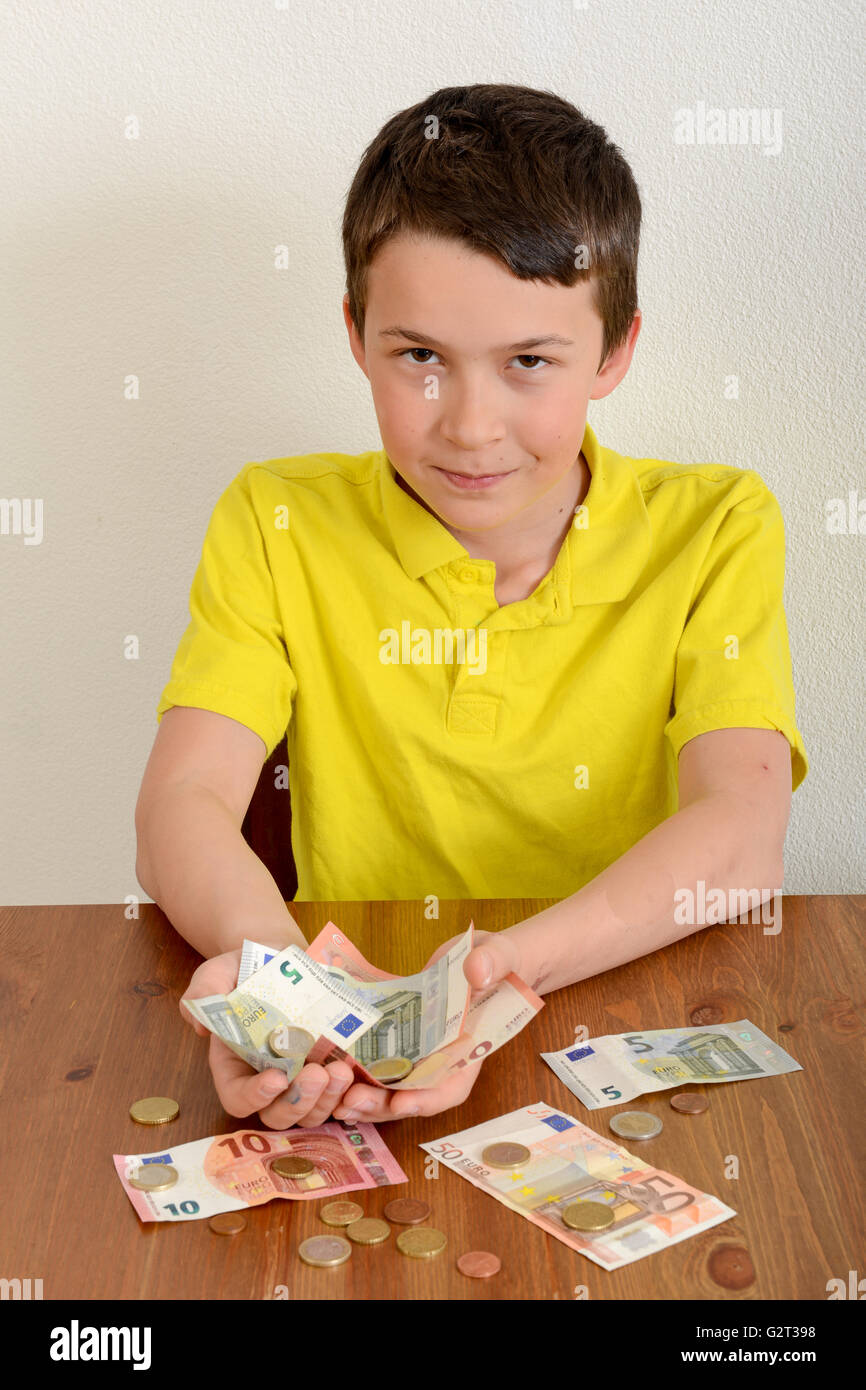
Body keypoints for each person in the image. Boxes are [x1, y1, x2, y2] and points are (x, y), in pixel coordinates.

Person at [134, 83, 808, 1134]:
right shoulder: (274, 517)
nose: (470, 427)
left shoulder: (716, 524)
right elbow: (181, 800)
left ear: (616, 352)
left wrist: (501, 969)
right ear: (355, 335)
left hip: (605, 1010)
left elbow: (739, 837)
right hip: (351, 1013)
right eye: (420, 359)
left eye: (529, 363)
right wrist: (279, 992)